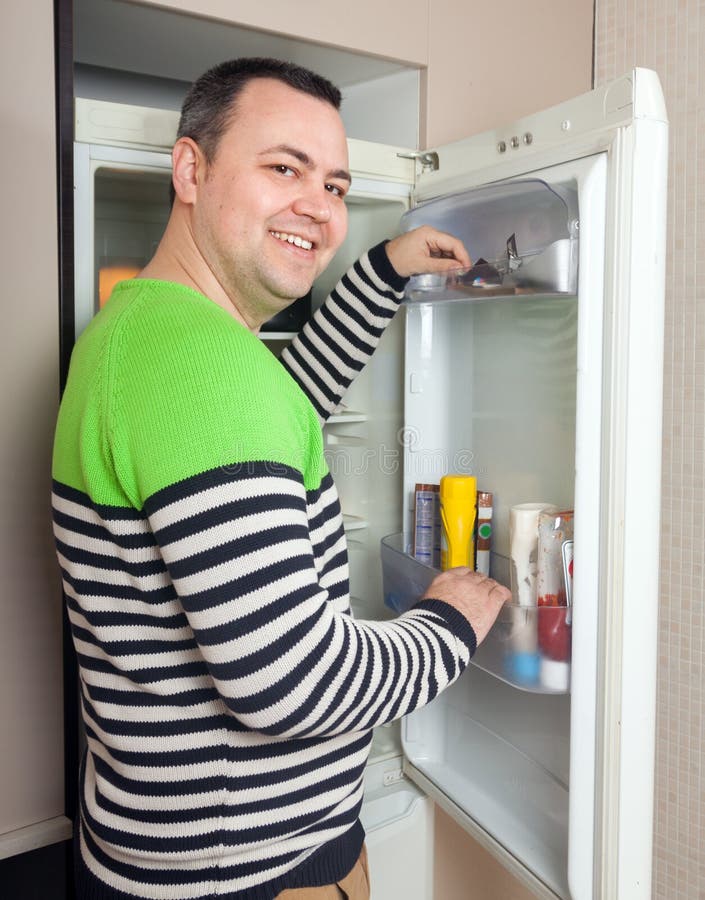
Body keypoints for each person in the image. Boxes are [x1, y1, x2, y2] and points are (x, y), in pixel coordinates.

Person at [52, 57, 510, 900]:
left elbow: (282, 406)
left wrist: (381, 272)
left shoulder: (148, 335)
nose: (318, 206)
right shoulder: (199, 366)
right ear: (190, 169)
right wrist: (449, 621)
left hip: (176, 844)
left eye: (333, 184)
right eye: (283, 168)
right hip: (252, 867)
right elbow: (294, 685)